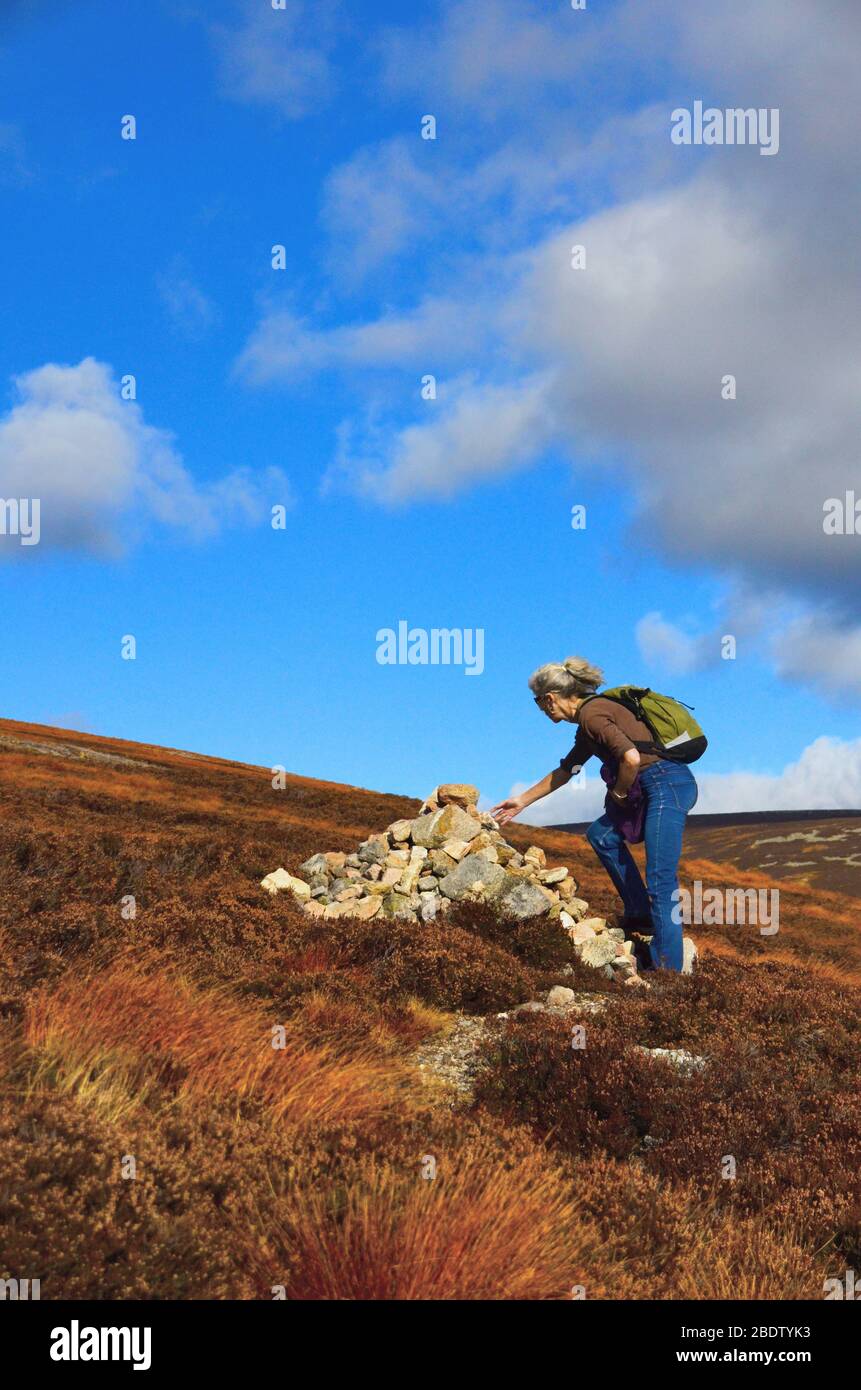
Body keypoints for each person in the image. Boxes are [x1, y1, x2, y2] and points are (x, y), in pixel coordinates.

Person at [492, 656, 698, 973]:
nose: (541, 710)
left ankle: (668, 974)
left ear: (549, 699)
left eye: (538, 703)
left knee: (660, 879)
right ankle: (641, 913)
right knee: (601, 834)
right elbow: (568, 769)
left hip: (665, 784)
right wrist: (522, 801)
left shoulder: (592, 715)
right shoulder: (588, 723)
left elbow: (630, 757)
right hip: (654, 784)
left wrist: (618, 794)